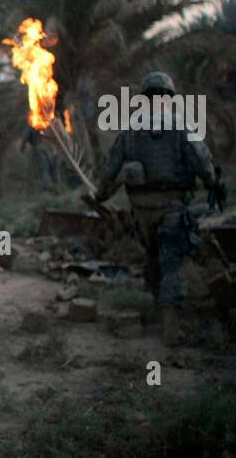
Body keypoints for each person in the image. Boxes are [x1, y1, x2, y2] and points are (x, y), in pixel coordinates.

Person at [88, 72, 223, 346]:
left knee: (152, 258)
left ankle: (155, 312)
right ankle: (171, 329)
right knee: (171, 262)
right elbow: (202, 164)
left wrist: (100, 195)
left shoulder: (129, 132)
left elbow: (108, 173)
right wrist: (212, 183)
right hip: (171, 207)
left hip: (141, 211)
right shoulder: (181, 127)